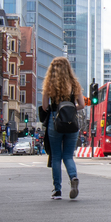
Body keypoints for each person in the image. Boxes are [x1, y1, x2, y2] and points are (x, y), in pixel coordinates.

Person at [41, 57, 85, 200]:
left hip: (55, 122)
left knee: (56, 156)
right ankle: (73, 177)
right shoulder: (74, 84)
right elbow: (82, 105)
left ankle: (57, 190)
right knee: (68, 156)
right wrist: (70, 108)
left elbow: (45, 107)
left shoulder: (49, 85)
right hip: (71, 123)